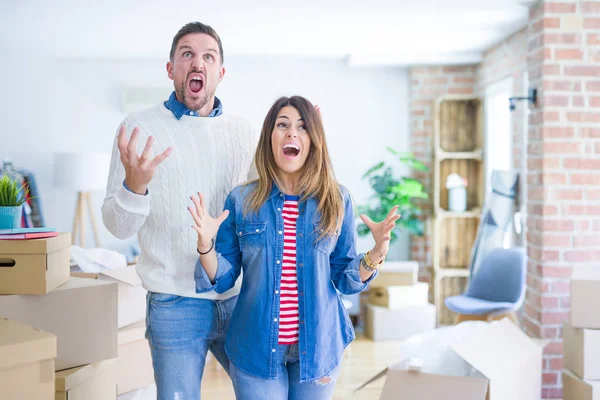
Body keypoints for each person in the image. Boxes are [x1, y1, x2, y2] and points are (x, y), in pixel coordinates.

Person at [188, 95, 399, 399]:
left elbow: (344, 278)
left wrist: (376, 253)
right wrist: (206, 246)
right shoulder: (242, 200)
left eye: (302, 127)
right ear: (269, 138)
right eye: (282, 125)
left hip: (319, 349)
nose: (292, 133)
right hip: (256, 348)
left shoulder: (337, 199)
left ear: (314, 140)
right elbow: (223, 278)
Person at [101, 21, 256, 399]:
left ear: (220, 72)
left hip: (238, 297)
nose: (197, 63)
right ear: (171, 68)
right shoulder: (138, 128)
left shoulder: (244, 132)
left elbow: (266, 205)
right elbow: (117, 227)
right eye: (187, 54)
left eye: (208, 56)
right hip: (174, 303)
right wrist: (135, 186)